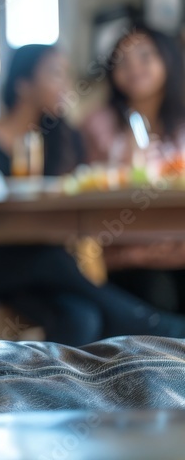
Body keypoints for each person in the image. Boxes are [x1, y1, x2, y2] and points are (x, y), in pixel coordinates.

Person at [0, 44, 185, 346]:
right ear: (24, 85)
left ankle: (54, 393)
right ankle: (157, 327)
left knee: (81, 316)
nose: (65, 85)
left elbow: (81, 187)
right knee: (53, 259)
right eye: (55, 74)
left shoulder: (62, 141)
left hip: (48, 273)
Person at [81, 25, 185, 312]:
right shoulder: (98, 125)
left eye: (144, 56)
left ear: (168, 59)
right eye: (122, 61)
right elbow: (92, 190)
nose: (133, 67)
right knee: (159, 309)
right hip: (128, 257)